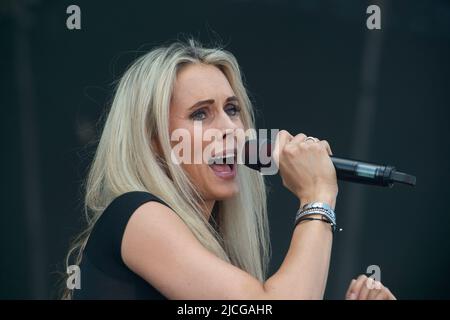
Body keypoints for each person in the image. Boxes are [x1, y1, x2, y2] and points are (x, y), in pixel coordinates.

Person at [64, 40, 395, 300]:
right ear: (154, 142)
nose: (230, 129)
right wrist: (317, 197)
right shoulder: (135, 215)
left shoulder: (217, 257)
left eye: (232, 109)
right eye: (200, 114)